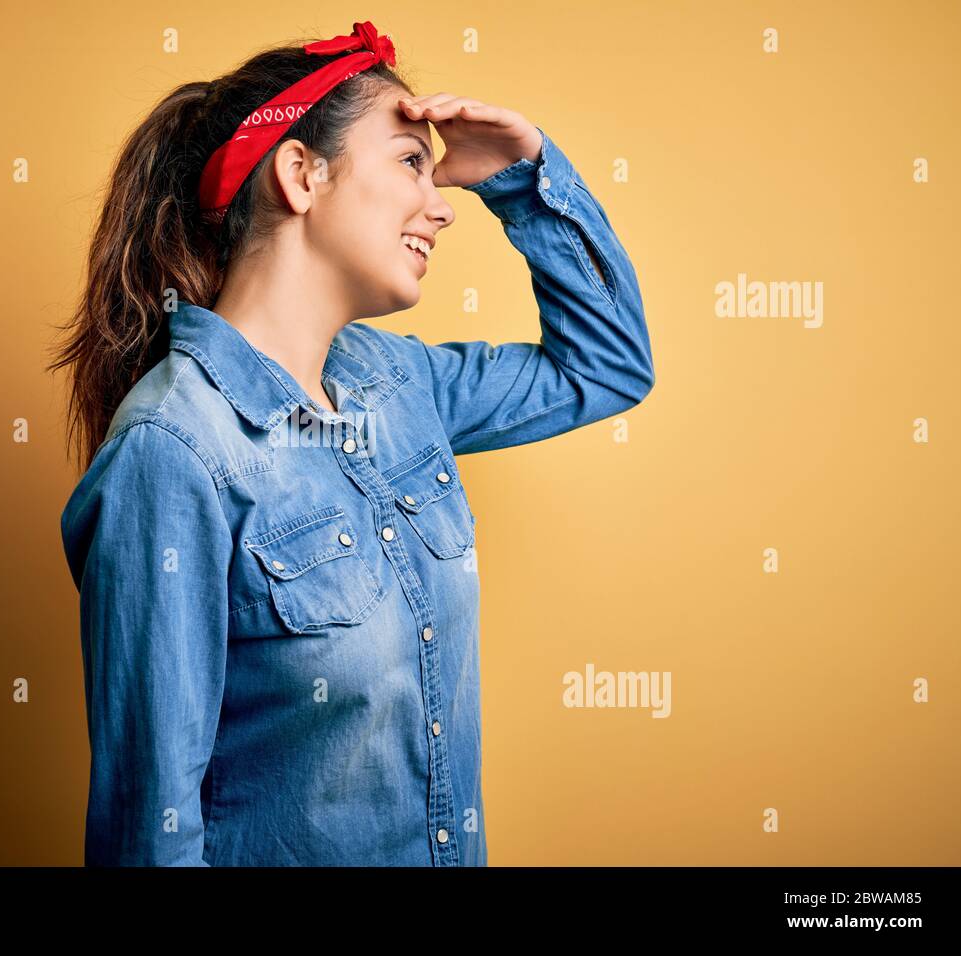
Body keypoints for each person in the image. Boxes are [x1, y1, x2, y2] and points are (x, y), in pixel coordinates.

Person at [51, 20, 654, 866]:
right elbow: (149, 838)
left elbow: (607, 366)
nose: (442, 203)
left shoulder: (401, 386)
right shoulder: (172, 450)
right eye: (411, 161)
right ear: (301, 173)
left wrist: (525, 179)